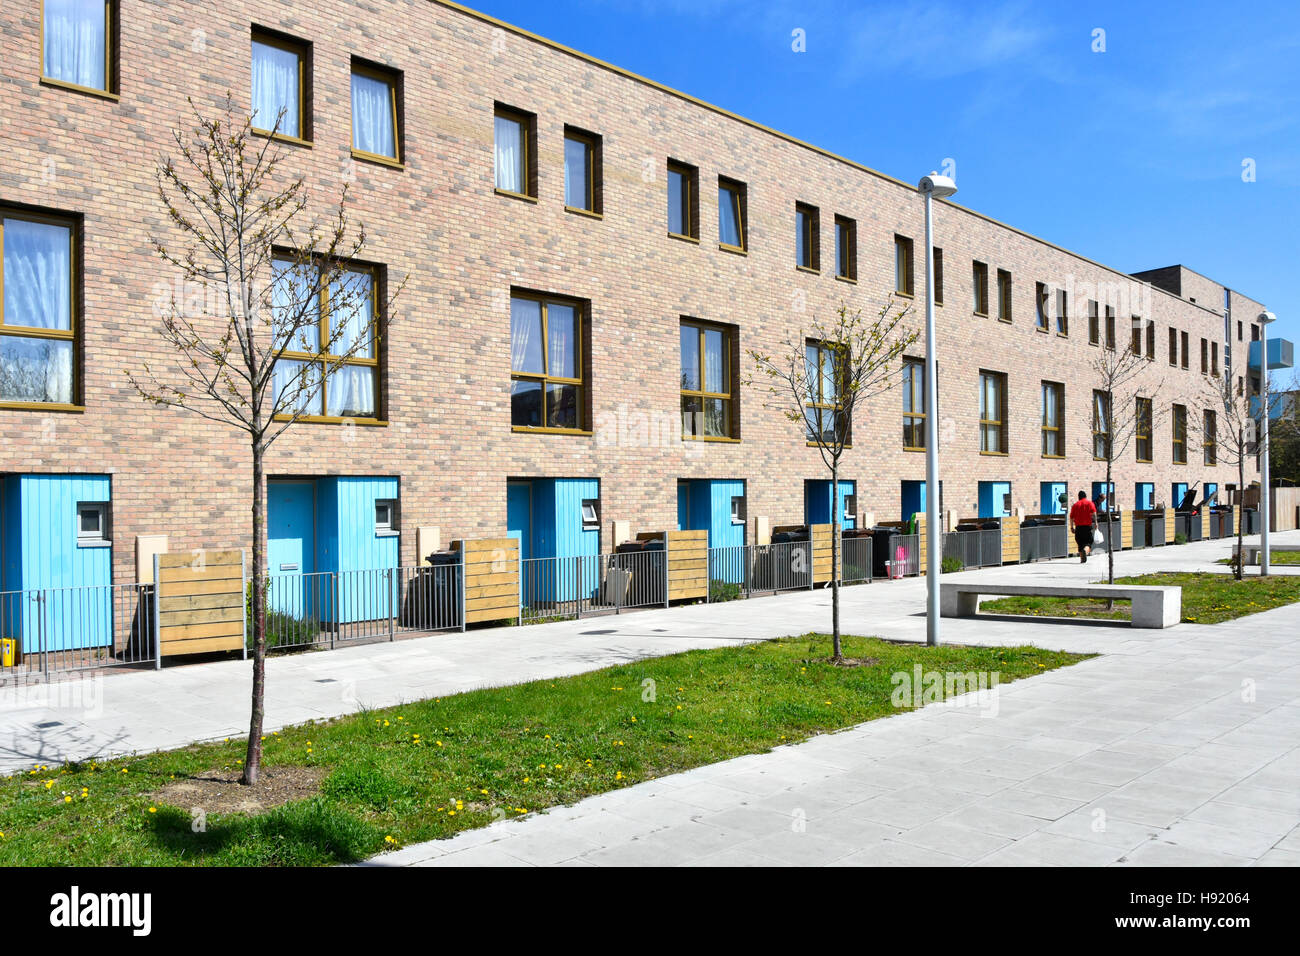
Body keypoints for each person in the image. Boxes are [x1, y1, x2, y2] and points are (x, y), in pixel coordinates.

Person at [1069, 490, 1097, 564]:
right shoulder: (1090, 503)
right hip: (1087, 527)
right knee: (1088, 542)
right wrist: (1096, 523)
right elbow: (1094, 513)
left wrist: (1072, 527)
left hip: (1078, 527)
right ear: (1085, 496)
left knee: (1080, 543)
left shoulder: (1075, 505)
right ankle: (1085, 551)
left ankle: (1082, 559)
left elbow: (1071, 517)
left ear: (1079, 497)